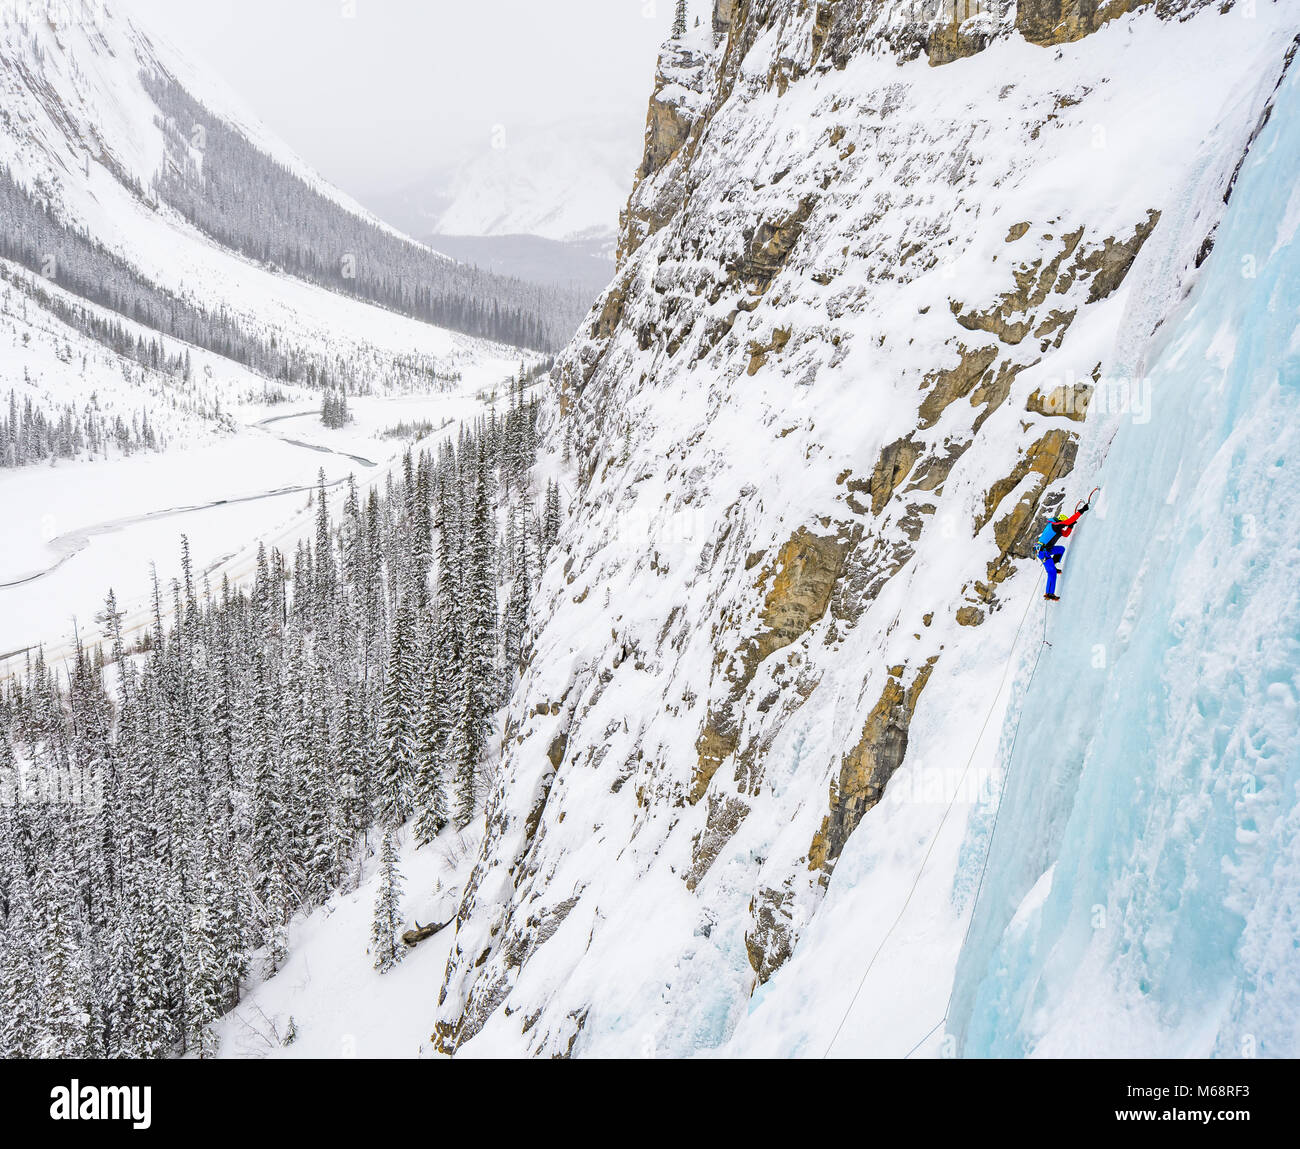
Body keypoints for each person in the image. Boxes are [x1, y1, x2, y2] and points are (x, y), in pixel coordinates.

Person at [1037, 503, 1088, 600]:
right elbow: (1068, 521)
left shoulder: (1057, 528)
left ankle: (1054, 564)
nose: (1064, 526)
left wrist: (1070, 526)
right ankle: (1049, 593)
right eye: (1064, 524)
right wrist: (1081, 511)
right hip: (1043, 552)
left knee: (1061, 549)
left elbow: (1066, 534)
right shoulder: (1055, 525)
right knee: (1051, 573)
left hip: (1047, 550)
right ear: (1061, 521)